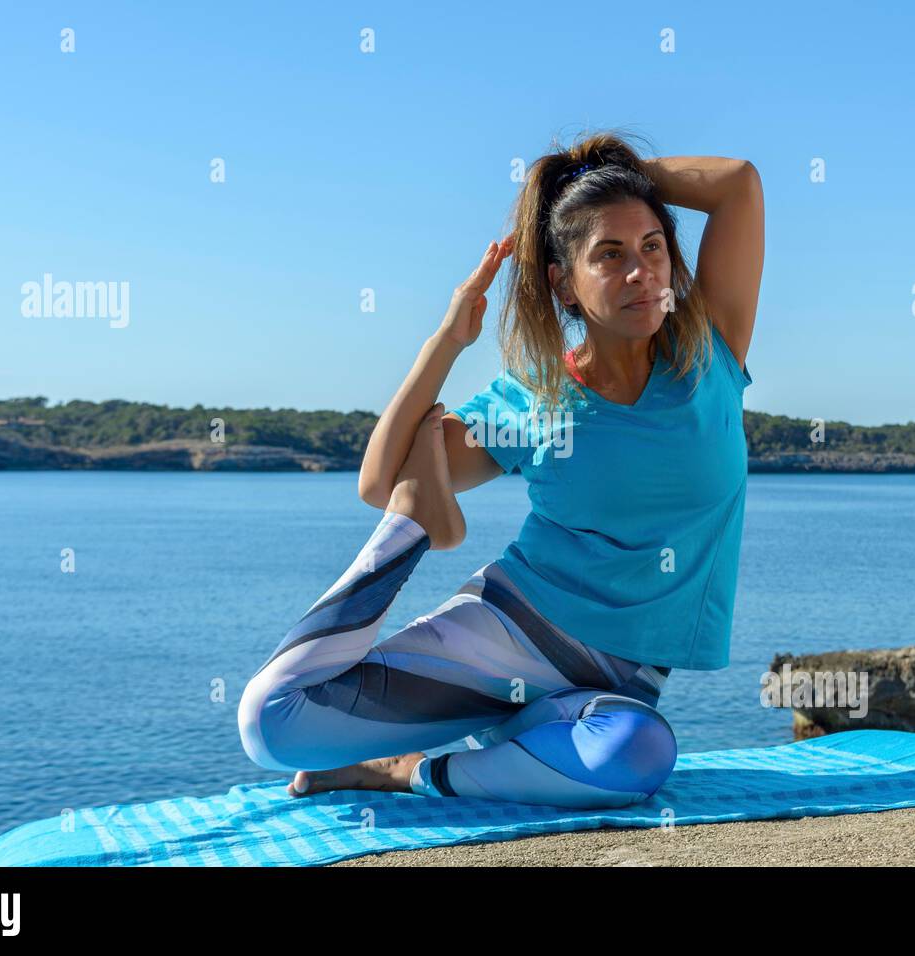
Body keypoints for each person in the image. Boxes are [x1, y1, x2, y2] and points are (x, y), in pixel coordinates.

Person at [237, 130, 764, 808]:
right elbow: (378, 478)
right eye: (609, 254)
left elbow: (738, 184)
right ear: (563, 284)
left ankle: (408, 772)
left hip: (614, 687)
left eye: (652, 247)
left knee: (638, 752)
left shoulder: (709, 352)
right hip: (508, 634)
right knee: (270, 720)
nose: (641, 272)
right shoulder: (539, 396)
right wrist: (446, 342)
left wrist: (612, 172)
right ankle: (420, 528)